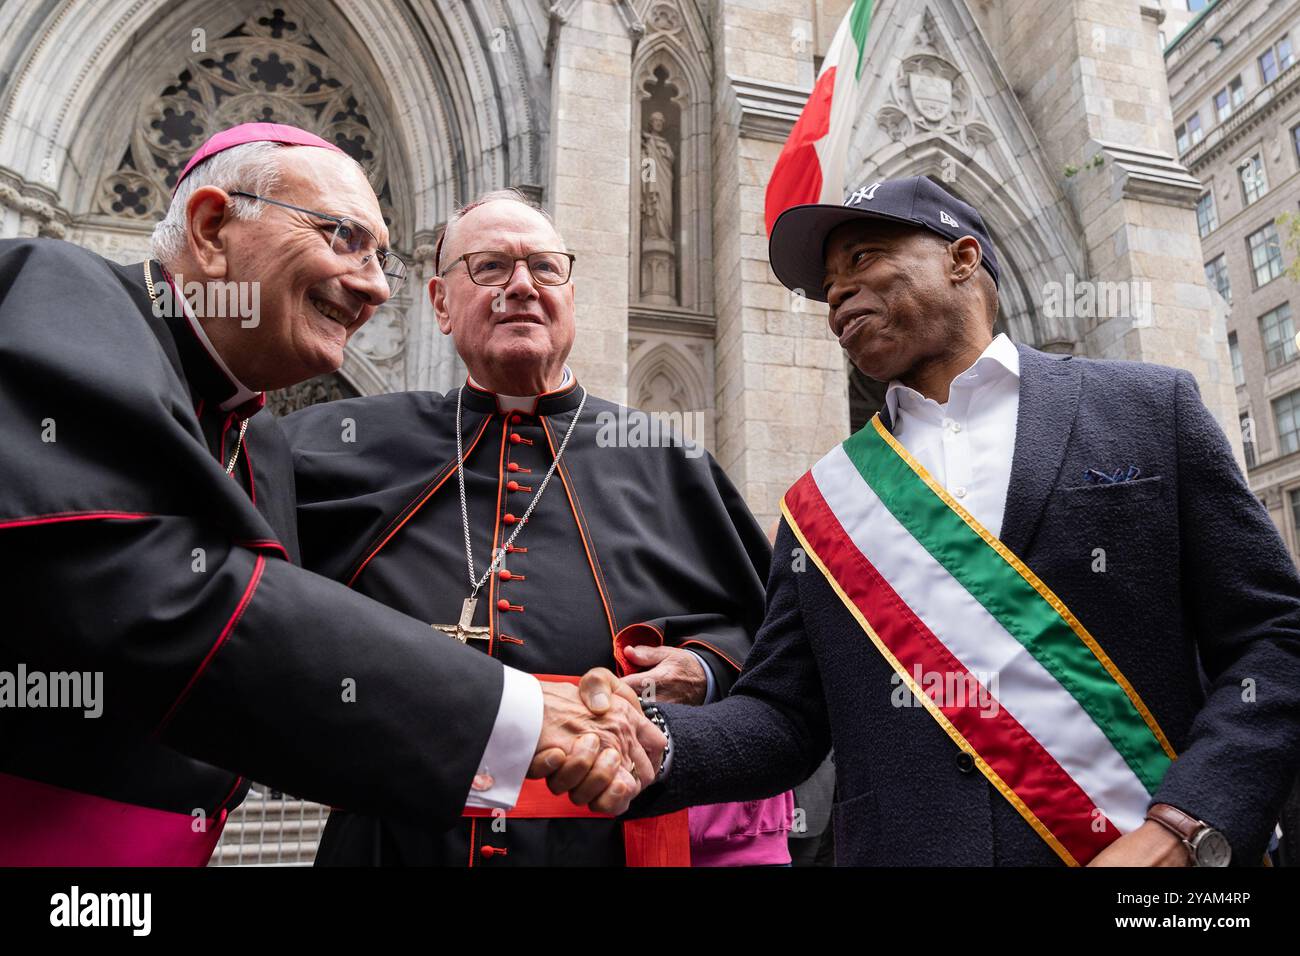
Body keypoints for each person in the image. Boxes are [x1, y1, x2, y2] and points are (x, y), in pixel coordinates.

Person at [0, 124, 657, 866]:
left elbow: (270, 705)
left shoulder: (266, 445)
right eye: (342, 237)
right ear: (212, 228)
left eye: (382, 257)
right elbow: (144, 595)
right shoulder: (54, 291)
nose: (375, 284)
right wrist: (513, 713)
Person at [616, 176, 1300, 866]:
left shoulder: (1149, 410)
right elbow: (784, 717)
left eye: (862, 259)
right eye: (827, 285)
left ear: (963, 258)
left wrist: (1186, 828)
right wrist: (644, 740)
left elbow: (1275, 638)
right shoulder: (821, 504)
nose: (836, 296)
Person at [280, 188, 783, 866]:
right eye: (489, 267)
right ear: (438, 303)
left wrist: (702, 669)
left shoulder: (668, 459)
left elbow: (769, 637)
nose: (521, 286)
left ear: (570, 295)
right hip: (391, 842)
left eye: (545, 268)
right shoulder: (337, 447)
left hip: (606, 846)